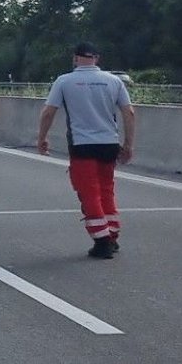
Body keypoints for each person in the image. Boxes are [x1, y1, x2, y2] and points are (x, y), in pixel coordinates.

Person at [36, 42, 136, 259]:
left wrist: (42, 138)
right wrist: (128, 144)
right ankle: (112, 235)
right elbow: (129, 113)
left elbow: (48, 112)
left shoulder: (64, 81)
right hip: (109, 143)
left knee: (89, 192)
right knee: (106, 189)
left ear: (75, 58)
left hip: (82, 145)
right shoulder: (114, 81)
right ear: (96, 59)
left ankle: (102, 242)